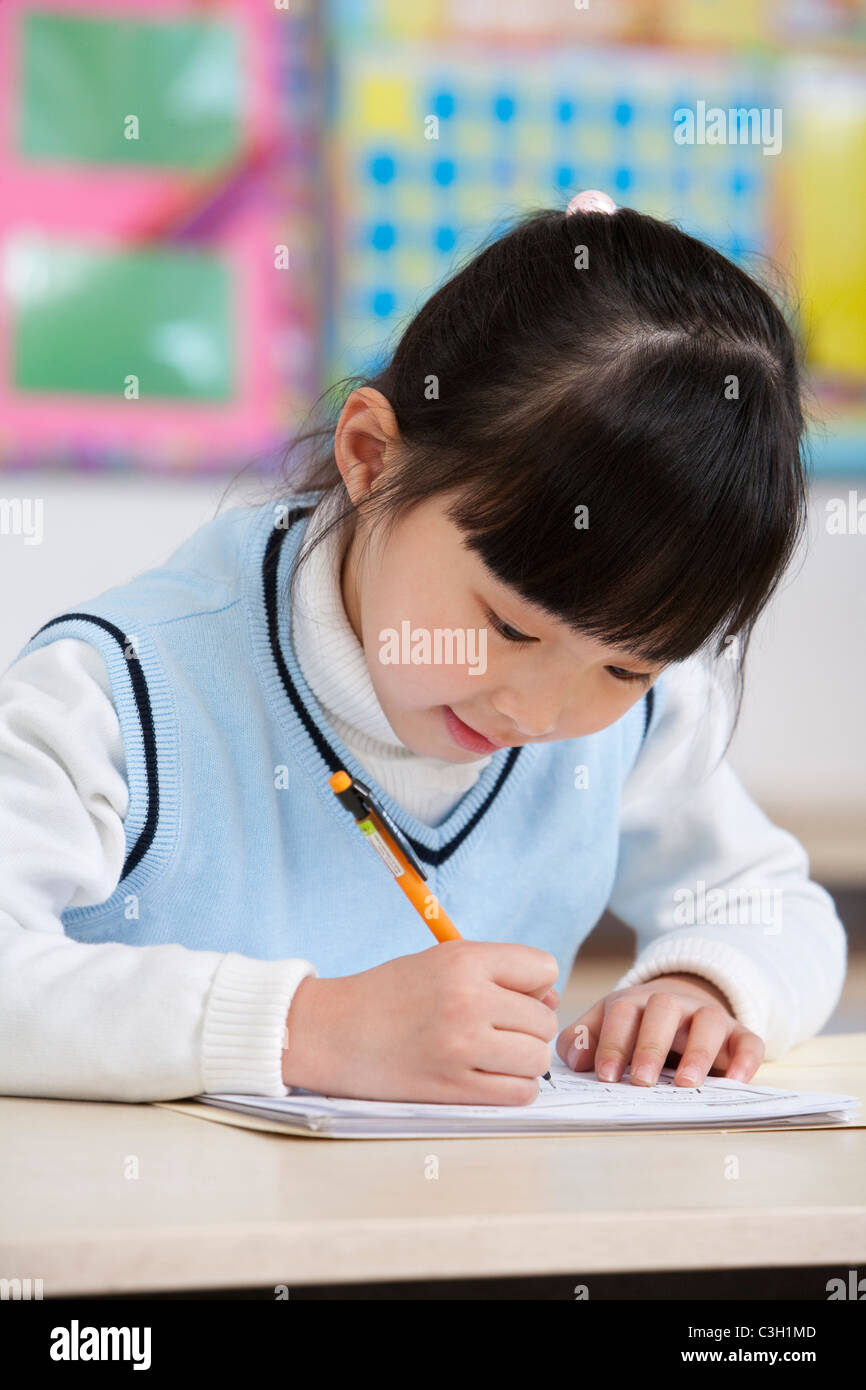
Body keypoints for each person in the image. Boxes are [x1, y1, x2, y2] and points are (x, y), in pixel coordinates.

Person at [0, 194, 846, 1104]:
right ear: (371, 458)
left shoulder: (639, 717)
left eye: (626, 665)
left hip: (459, 1234)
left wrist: (707, 985)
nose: (536, 711)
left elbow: (775, 906)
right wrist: (301, 1031)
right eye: (510, 627)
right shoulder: (126, 692)